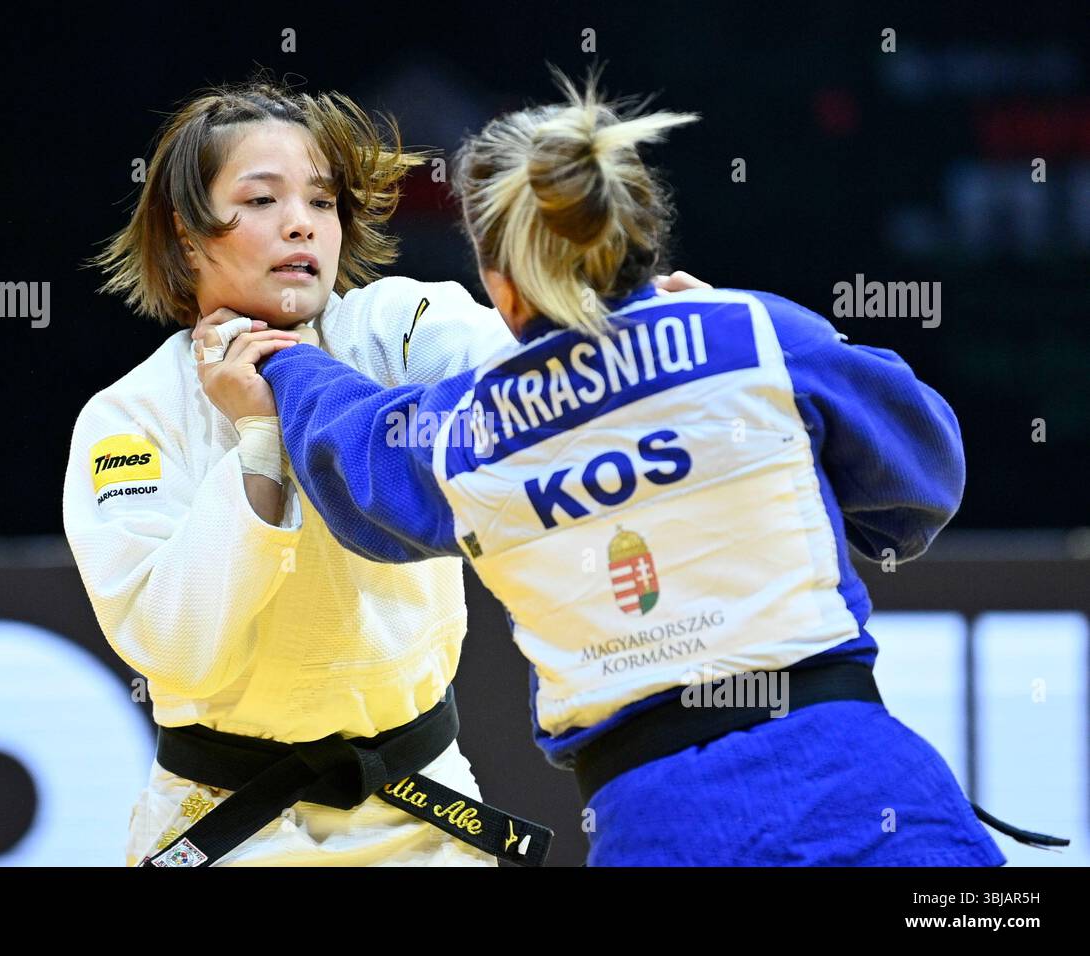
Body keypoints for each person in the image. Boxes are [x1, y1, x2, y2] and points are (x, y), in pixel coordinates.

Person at [250, 69, 1055, 865]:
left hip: (659, 824)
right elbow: (923, 477)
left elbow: (353, 458)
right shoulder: (758, 337)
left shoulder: (458, 429)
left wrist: (282, 362)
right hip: (867, 790)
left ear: (496, 282)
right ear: (641, 235)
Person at [63, 76, 542, 867]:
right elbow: (173, 646)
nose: (301, 225)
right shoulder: (132, 417)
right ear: (187, 235)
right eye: (260, 201)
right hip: (224, 823)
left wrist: (627, 328)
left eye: (321, 202)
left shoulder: (394, 327)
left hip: (422, 819)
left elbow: (523, 378)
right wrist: (258, 436)